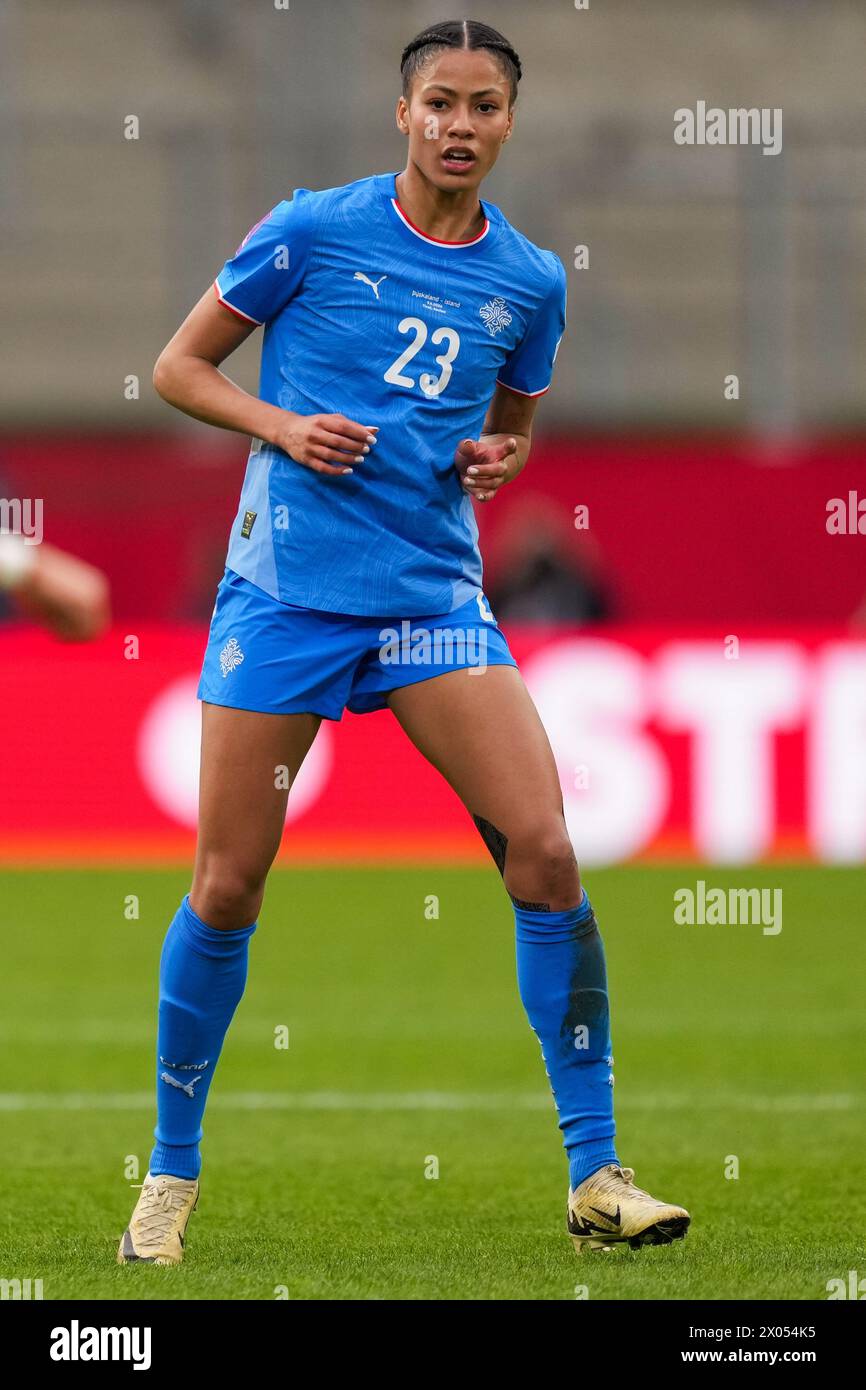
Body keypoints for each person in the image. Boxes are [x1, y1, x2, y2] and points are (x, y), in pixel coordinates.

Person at [118, 18, 689, 1267]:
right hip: (285, 595)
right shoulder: (311, 230)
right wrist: (281, 424)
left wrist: (501, 455)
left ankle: (595, 1172)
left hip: (430, 603)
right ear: (402, 114)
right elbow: (175, 368)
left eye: (482, 105)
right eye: (439, 102)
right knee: (228, 882)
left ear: (508, 121)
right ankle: (168, 1170)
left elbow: (513, 421)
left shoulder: (527, 280)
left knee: (544, 851)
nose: (458, 125)